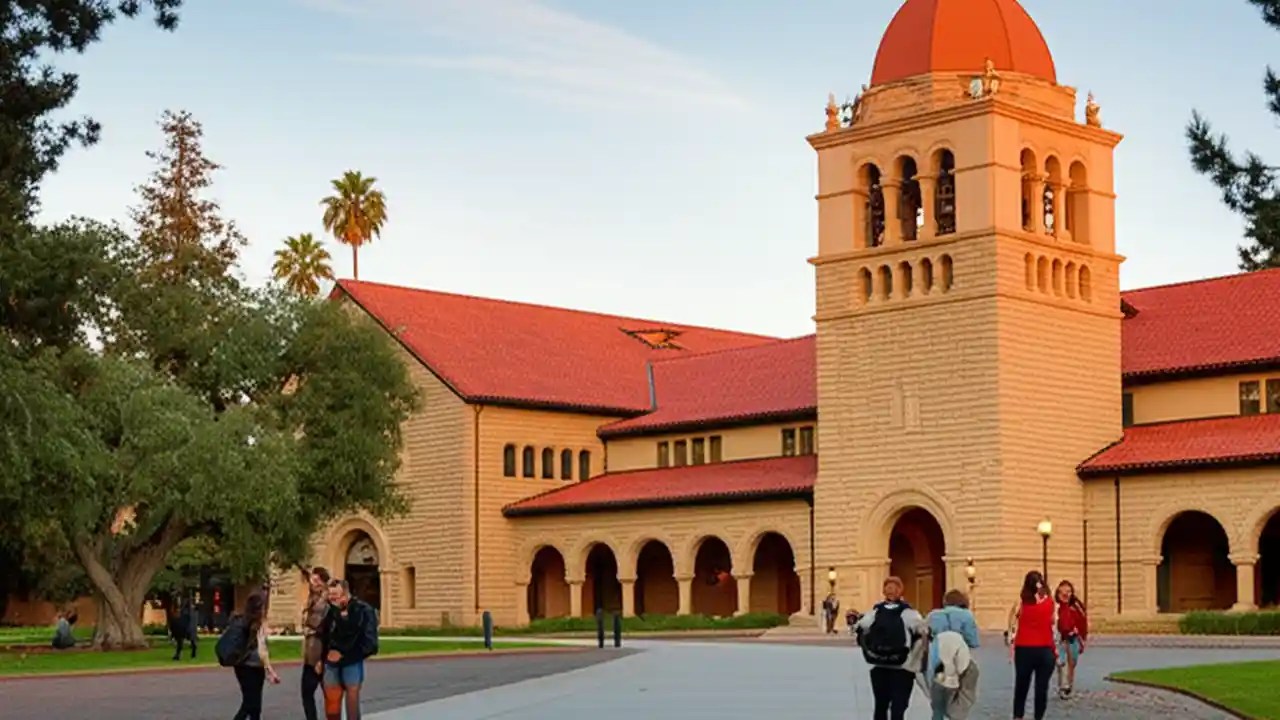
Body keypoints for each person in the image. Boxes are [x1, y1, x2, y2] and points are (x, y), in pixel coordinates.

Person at [855, 576, 926, 720]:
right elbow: (923, 631)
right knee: (898, 708)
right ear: (900, 591)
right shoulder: (908, 613)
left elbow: (860, 627)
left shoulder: (875, 612)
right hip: (902, 666)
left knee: (880, 706)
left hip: (879, 664)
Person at [322, 579, 379, 720]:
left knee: (352, 697)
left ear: (345, 593)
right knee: (332, 699)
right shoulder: (329, 611)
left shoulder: (362, 610)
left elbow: (369, 643)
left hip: (352, 660)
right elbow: (323, 635)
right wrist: (321, 657)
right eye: (330, 594)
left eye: (336, 594)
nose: (332, 598)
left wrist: (344, 654)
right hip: (331, 662)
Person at [924, 590, 980, 720]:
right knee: (965, 694)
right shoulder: (967, 616)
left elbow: (926, 637)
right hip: (961, 661)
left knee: (937, 704)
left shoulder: (933, 615)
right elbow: (974, 642)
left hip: (939, 662)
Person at [1009, 571, 1056, 720]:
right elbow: (1053, 621)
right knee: (1041, 688)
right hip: (1045, 649)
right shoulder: (1050, 602)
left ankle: (1018, 716)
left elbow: (1011, 623)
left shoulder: (1020, 602)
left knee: (1021, 685)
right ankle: (1038, 717)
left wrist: (1011, 637)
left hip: (1024, 648)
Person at [232, 590, 281, 720]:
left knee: (252, 704)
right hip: (254, 667)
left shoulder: (242, 620)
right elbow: (262, 650)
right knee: (251, 704)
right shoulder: (258, 624)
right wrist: (270, 670)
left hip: (241, 666)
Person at [301, 566, 332, 720]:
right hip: (310, 654)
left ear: (323, 582)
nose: (312, 583)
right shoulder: (312, 598)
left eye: (316, 580)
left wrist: (321, 659)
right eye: (312, 579)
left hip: (319, 656)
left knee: (327, 694)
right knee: (307, 692)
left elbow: (320, 628)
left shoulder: (325, 603)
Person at [1055, 579, 1088, 698]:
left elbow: (1083, 622)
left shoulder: (1076, 606)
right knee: (1062, 662)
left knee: (1072, 662)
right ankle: (1064, 687)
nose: (1066, 595)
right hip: (1060, 638)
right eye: (1063, 592)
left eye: (1068, 592)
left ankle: (1069, 684)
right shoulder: (1056, 607)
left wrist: (1082, 637)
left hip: (1074, 638)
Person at [170, 593, 198, 660]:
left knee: (190, 639)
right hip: (179, 623)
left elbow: (190, 613)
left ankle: (193, 651)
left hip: (185, 623)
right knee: (180, 640)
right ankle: (178, 654)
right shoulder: (175, 601)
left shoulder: (187, 604)